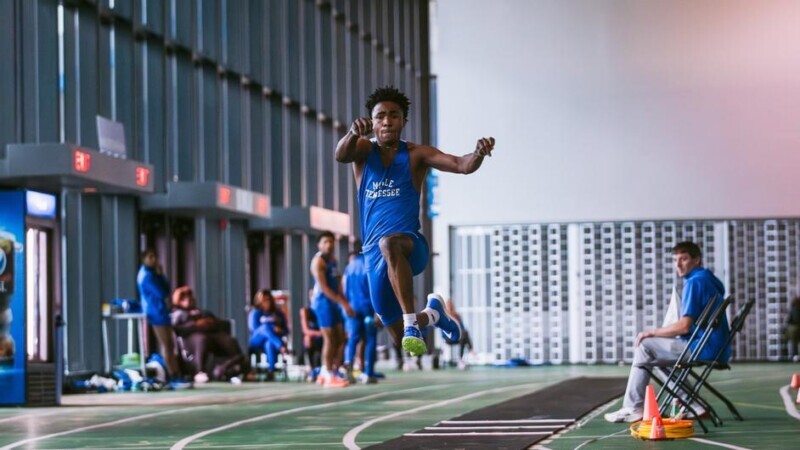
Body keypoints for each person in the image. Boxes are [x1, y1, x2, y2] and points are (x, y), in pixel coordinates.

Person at [335, 85, 496, 356]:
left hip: (411, 247)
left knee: (390, 243)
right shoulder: (362, 151)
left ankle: (412, 323)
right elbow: (341, 155)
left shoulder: (416, 154)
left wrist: (478, 153)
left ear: (403, 121)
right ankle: (432, 315)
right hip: (374, 257)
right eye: (381, 116)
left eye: (394, 115)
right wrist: (352, 133)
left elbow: (461, 164)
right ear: (372, 122)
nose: (387, 120)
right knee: (399, 339)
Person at [605, 241, 731, 423]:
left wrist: (651, 333)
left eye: (684, 259)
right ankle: (694, 405)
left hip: (703, 347)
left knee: (645, 346)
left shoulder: (695, 282)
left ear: (696, 260)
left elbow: (684, 326)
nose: (678, 264)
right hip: (714, 346)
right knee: (656, 356)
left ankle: (633, 407)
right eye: (675, 260)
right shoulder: (706, 279)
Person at [171, 286, 246, 383]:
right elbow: (177, 329)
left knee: (228, 340)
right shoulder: (178, 314)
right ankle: (199, 371)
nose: (188, 299)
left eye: (189, 296)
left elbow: (219, 322)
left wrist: (210, 322)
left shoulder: (202, 311)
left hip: (211, 333)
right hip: (191, 337)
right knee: (202, 339)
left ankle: (240, 364)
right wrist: (195, 325)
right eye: (184, 297)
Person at [136, 249, 187, 388]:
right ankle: (173, 375)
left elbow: (167, 288)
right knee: (166, 344)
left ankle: (176, 373)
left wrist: (161, 275)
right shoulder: (146, 276)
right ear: (144, 259)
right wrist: (160, 276)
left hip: (162, 311)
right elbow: (162, 292)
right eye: (150, 257)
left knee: (170, 344)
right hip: (155, 312)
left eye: (155, 256)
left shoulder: (153, 273)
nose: (154, 260)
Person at [310, 231, 354, 387]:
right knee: (329, 338)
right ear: (319, 244)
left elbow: (338, 283)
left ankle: (327, 371)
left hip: (334, 302)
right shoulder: (318, 262)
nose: (329, 244)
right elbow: (325, 288)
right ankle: (327, 373)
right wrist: (343, 303)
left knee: (340, 338)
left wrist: (345, 301)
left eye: (331, 241)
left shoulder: (332, 260)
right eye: (326, 242)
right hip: (323, 303)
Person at [342, 248, 379, 384]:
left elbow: (344, 288)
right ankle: (368, 373)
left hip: (353, 307)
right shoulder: (370, 263)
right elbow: (375, 287)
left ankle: (348, 364)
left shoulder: (349, 267)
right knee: (370, 338)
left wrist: (347, 304)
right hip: (368, 307)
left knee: (353, 338)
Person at [248, 289, 290, 381]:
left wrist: (279, 330)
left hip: (271, 340)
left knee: (269, 343)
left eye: (268, 299)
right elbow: (254, 329)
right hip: (256, 340)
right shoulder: (255, 313)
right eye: (263, 299)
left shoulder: (277, 313)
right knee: (266, 327)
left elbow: (286, 330)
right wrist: (271, 327)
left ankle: (271, 371)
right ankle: (282, 347)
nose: (266, 302)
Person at [300, 288, 323, 382]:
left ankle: (331, 369)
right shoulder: (306, 311)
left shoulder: (325, 310)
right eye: (312, 295)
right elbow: (306, 330)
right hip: (316, 338)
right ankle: (311, 369)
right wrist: (321, 333)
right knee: (307, 338)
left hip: (326, 339)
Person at [445, 298, 473, 370]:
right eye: (448, 305)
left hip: (458, 336)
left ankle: (460, 360)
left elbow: (462, 328)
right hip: (449, 338)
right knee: (463, 335)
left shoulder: (457, 316)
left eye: (451, 305)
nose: (450, 307)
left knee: (463, 336)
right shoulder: (444, 316)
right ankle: (470, 349)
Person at [787, 296, 800, 362]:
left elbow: (788, 320)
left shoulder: (792, 309)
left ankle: (795, 356)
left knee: (794, 343)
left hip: (794, 329)